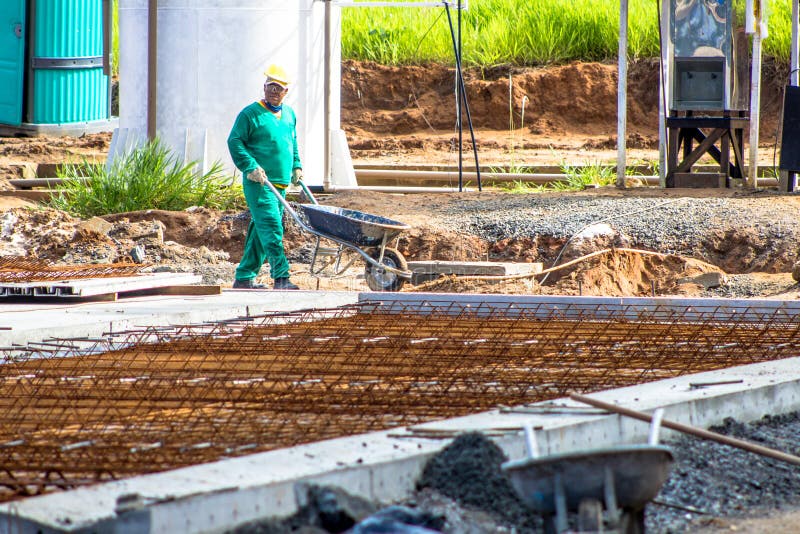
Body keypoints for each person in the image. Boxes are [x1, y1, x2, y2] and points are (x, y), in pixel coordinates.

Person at [227, 64, 304, 290]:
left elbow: (292, 142)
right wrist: (249, 166)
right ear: (264, 87)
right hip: (259, 183)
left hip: (280, 184)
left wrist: (296, 166)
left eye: (278, 88)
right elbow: (234, 141)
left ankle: (244, 277)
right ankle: (281, 277)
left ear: (285, 92)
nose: (273, 91)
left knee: (260, 232)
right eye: (270, 86)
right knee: (271, 227)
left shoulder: (289, 115)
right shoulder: (251, 114)